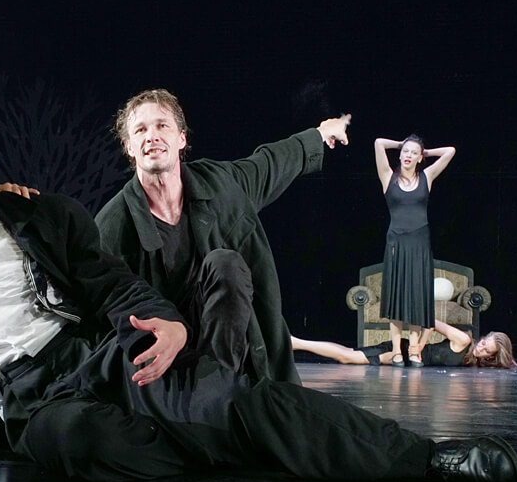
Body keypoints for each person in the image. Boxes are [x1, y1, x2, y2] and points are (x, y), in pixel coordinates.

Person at [0, 107, 517, 482]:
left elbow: (108, 281)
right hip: (30, 398)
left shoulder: (39, 215)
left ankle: (426, 457)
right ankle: (232, 429)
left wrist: (169, 325)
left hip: (103, 353)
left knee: (234, 393)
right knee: (80, 439)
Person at [95, 89, 350, 386]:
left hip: (235, 361)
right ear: (129, 147)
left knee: (225, 263)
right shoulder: (112, 225)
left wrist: (319, 134)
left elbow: (271, 163)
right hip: (165, 368)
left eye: (162, 125)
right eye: (140, 130)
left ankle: (218, 387)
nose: (151, 136)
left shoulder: (222, 184)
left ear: (181, 138)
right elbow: (97, 304)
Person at [374, 135, 457, 366]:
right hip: (396, 243)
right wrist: (401, 145)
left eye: (413, 153)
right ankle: (396, 350)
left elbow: (450, 150)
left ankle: (413, 349)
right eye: (405, 152)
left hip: (420, 244)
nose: (408, 156)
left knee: (416, 296)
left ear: (419, 158)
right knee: (396, 296)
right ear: (400, 154)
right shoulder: (388, 177)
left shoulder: (426, 177)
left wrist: (425, 151)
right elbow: (379, 143)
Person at [291, 320, 517, 369]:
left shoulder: (473, 362)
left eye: (486, 350)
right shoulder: (464, 341)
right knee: (348, 357)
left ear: (490, 357)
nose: (481, 347)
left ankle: (296, 343)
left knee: (349, 354)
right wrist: (420, 345)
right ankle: (296, 342)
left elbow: (507, 363)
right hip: (405, 352)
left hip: (409, 360)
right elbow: (430, 321)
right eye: (484, 342)